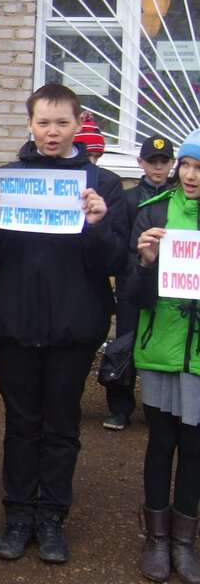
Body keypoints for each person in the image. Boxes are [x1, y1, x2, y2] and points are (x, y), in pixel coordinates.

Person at [0, 83, 127, 565]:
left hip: (74, 328)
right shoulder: (7, 179)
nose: (52, 132)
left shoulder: (103, 184)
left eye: (61, 122)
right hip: (16, 324)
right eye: (43, 122)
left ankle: (52, 517)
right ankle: (18, 516)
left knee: (61, 425)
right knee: (21, 425)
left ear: (78, 125)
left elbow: (113, 261)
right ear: (30, 125)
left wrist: (98, 224)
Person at [129, 129, 200, 584]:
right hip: (159, 348)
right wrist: (146, 262)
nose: (191, 176)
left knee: (194, 447)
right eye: (186, 165)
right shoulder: (152, 212)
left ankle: (184, 542)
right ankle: (156, 538)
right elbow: (132, 297)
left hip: (198, 357)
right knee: (161, 443)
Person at [106, 135, 176, 432]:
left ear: (172, 164)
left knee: (159, 345)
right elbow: (120, 241)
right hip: (132, 283)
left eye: (164, 162)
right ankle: (119, 407)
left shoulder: (179, 200)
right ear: (140, 162)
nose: (158, 168)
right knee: (126, 344)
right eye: (151, 161)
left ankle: (157, 407)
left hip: (169, 285)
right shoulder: (128, 199)